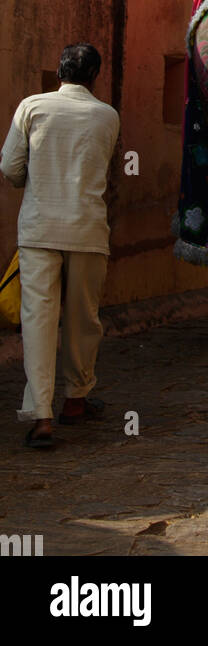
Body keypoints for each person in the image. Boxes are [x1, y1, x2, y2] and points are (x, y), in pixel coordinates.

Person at [0, 44, 120, 450]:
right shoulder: (107, 116)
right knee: (83, 317)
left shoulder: (32, 106)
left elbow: (9, 167)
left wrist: (32, 181)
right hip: (87, 230)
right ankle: (76, 398)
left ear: (59, 71)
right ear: (95, 76)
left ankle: (41, 415)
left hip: (38, 229)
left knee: (38, 320)